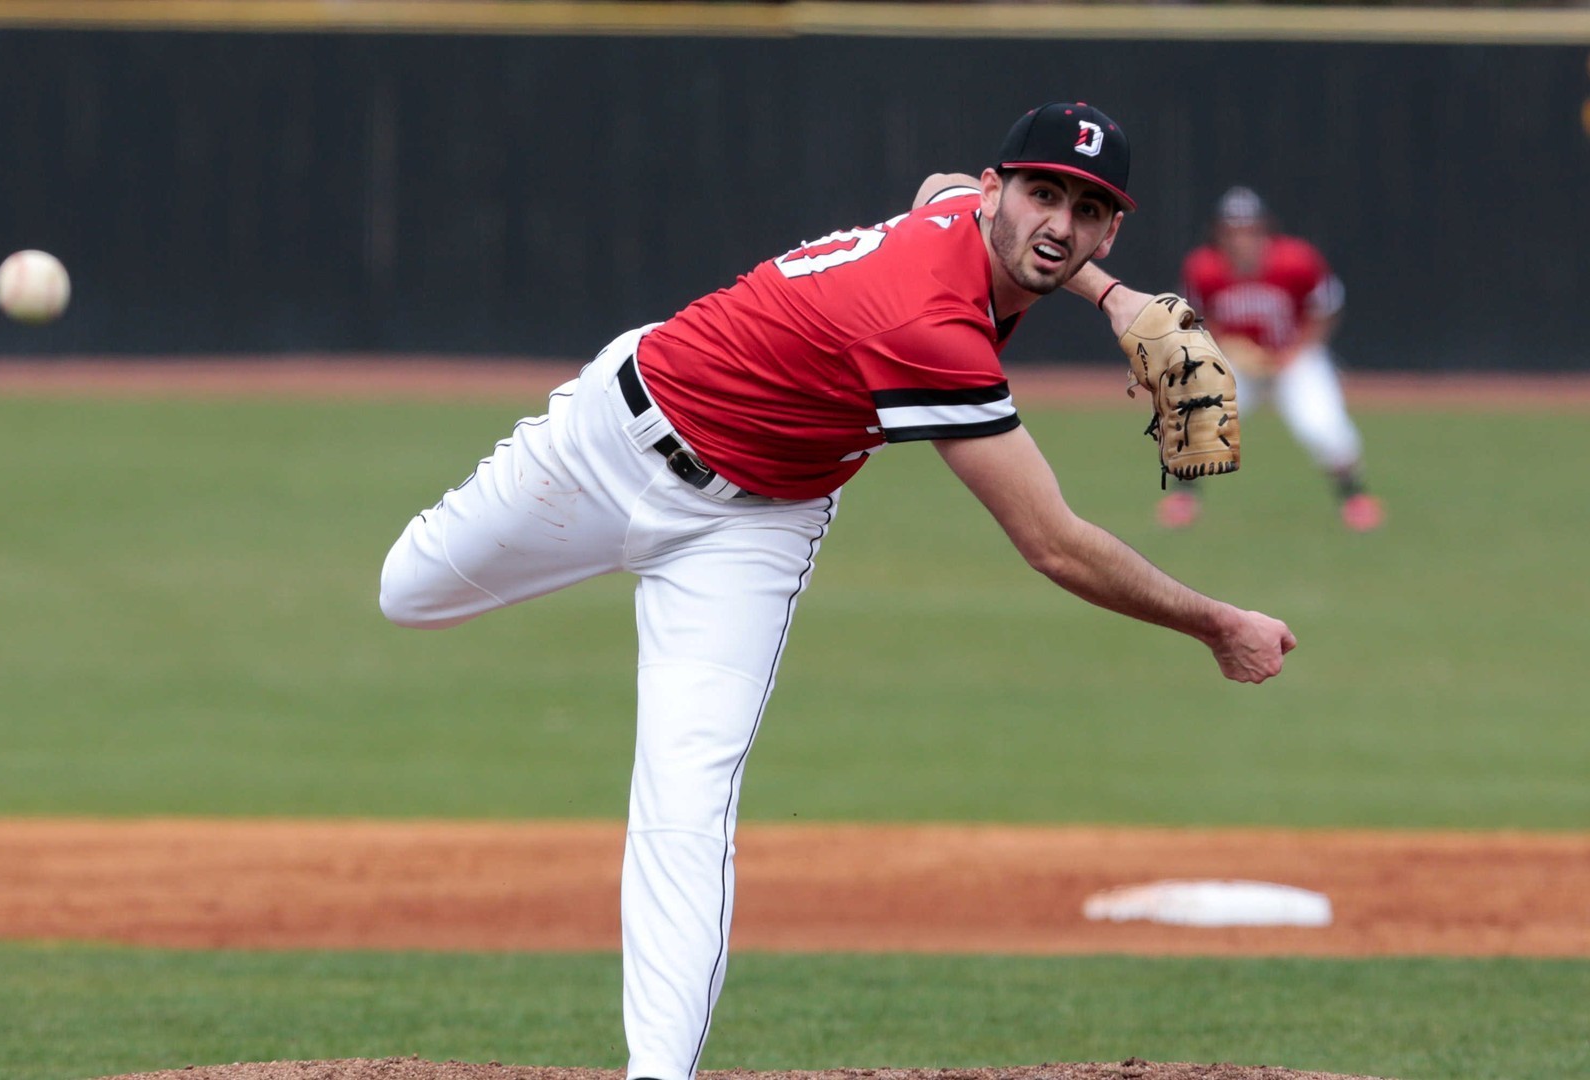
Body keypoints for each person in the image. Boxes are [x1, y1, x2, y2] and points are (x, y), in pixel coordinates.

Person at [379, 103, 1295, 1080]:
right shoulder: (929, 326)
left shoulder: (971, 219)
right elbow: (1054, 545)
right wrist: (1216, 622)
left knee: (688, 798)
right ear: (999, 192)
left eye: (1088, 209)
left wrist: (1111, 296)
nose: (1059, 225)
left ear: (1114, 229)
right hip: (607, 444)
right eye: (1040, 193)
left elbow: (935, 189)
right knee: (409, 590)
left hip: (750, 528)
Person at [1161, 186, 1383, 531]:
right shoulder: (1203, 268)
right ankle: (1183, 496)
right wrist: (1225, 346)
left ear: (1265, 230)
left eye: (1249, 230)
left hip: (1294, 359)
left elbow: (1326, 308)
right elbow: (1193, 318)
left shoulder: (1296, 261)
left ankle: (1354, 496)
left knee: (1323, 427)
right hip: (1240, 364)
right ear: (1219, 233)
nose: (1241, 239)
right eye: (1233, 230)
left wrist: (1296, 351)